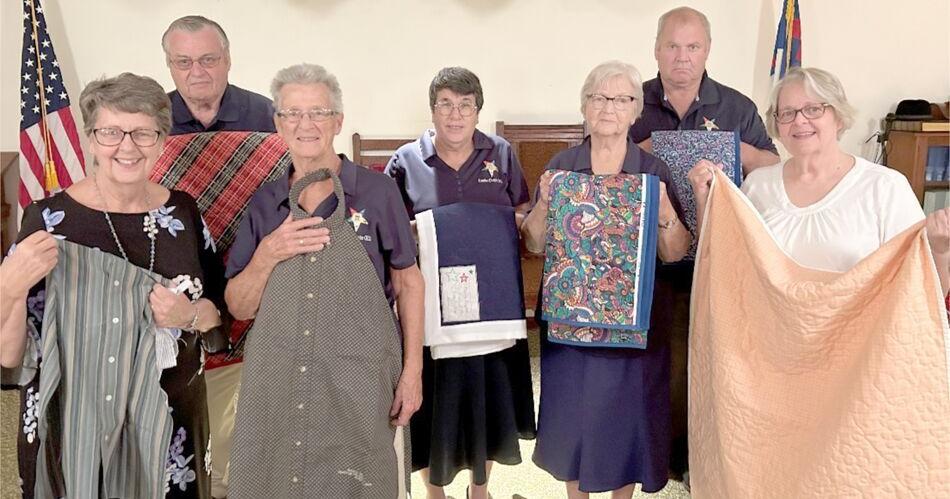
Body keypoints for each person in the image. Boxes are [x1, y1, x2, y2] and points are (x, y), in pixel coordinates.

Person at [0, 73, 225, 498]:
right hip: (73, 425)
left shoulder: (185, 213)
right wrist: (8, 288)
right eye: (110, 132)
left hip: (171, 423)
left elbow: (218, 316)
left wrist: (189, 314)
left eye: (143, 133)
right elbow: (12, 355)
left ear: (161, 141)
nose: (127, 146)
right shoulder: (47, 219)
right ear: (89, 139)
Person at [224, 63, 423, 497]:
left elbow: (409, 283)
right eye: (292, 113)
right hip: (278, 377)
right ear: (278, 123)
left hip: (359, 376)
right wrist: (268, 254)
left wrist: (413, 372)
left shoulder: (377, 192)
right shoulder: (265, 203)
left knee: (361, 480)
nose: (305, 124)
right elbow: (239, 306)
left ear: (338, 121)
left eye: (317, 112)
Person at [522, 60, 691, 499]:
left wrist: (666, 212)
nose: (608, 107)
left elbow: (675, 252)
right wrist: (542, 203)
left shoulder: (652, 171)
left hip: (635, 326)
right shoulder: (562, 165)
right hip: (570, 325)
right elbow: (535, 243)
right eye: (598, 97)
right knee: (574, 421)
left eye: (621, 99)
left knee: (626, 419)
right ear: (584, 106)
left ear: (636, 110)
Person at [627, 7, 781, 481]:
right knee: (648, 365)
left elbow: (772, 167)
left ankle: (697, 461)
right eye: (672, 46)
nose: (682, 57)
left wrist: (732, 150)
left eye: (692, 47)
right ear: (656, 49)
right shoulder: (628, 102)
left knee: (710, 364)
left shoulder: (735, 107)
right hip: (643, 260)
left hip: (717, 259)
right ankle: (648, 457)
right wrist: (640, 152)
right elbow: (600, 164)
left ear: (707, 51)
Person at [384, 67, 536, 499]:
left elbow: (521, 215)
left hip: (493, 303)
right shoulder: (406, 160)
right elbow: (393, 234)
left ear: (477, 111)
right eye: (446, 105)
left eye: (465, 106)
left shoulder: (501, 153)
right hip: (430, 308)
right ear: (432, 110)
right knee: (436, 402)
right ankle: (435, 493)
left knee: (488, 399)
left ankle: (480, 489)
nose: (455, 115)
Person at [162, 15, 274, 135]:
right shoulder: (149, 119)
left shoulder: (269, 117)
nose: (197, 72)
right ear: (169, 64)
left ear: (227, 60)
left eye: (208, 60)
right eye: (184, 62)